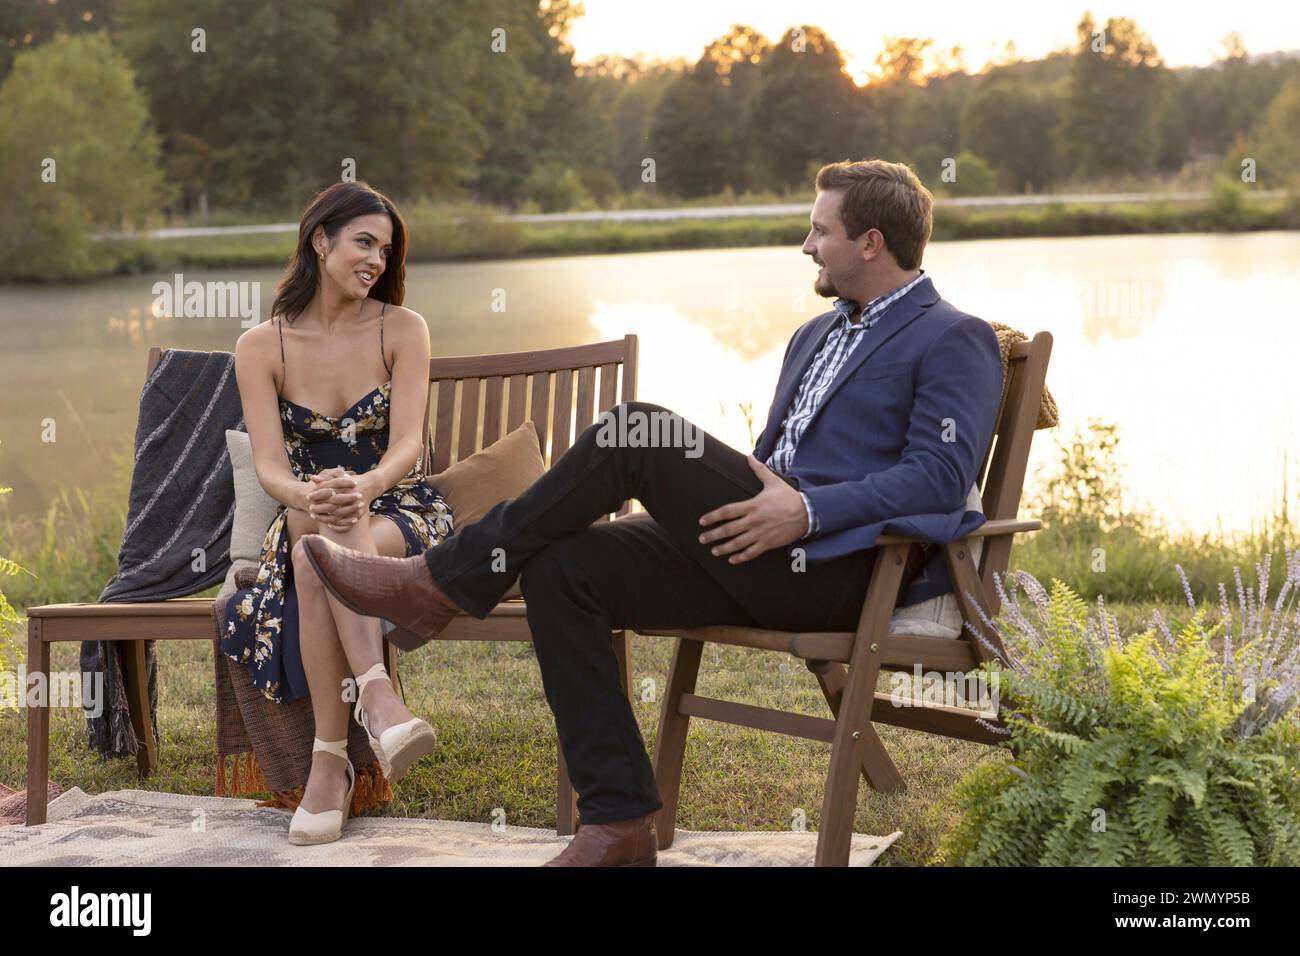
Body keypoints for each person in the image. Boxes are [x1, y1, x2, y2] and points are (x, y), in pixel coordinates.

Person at [302, 159, 1005, 865]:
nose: (806, 245)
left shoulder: (953, 337)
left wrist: (809, 511)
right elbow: (771, 464)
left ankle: (438, 582)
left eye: (820, 230)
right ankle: (618, 826)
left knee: (636, 430)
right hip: (758, 550)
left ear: (872, 242)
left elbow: (941, 478)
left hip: (839, 570)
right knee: (561, 567)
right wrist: (742, 498)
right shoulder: (814, 337)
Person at [222, 180, 453, 845]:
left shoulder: (403, 329)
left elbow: (408, 444)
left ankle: (331, 760)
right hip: (306, 509)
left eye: (385, 250)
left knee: (314, 549)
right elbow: (270, 466)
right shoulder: (261, 346)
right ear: (319, 240)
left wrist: (367, 481)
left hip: (400, 510)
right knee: (312, 528)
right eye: (363, 242)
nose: (377, 261)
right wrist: (306, 493)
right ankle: (379, 703)